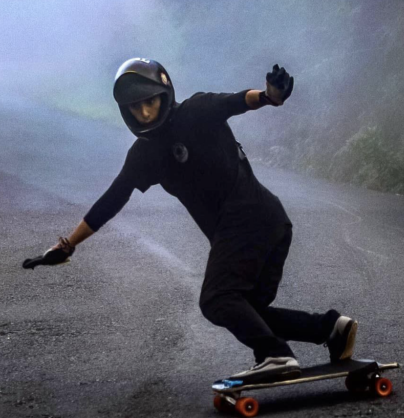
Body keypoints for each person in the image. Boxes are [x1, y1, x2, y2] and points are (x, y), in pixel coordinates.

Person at [22, 58, 356, 384]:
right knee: (246, 309)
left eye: (149, 102)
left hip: (251, 219)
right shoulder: (144, 154)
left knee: (216, 300)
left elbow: (237, 101)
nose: (144, 112)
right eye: (135, 107)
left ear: (164, 94)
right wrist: (68, 245)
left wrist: (270, 96)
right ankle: (329, 329)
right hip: (269, 224)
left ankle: (275, 355)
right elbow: (112, 200)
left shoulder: (196, 111)